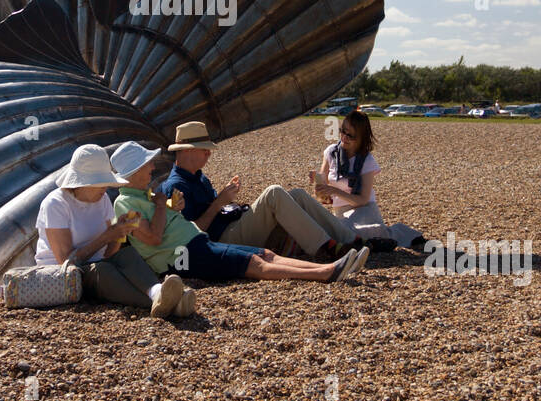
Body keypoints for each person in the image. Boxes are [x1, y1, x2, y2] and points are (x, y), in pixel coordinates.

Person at [111, 140, 365, 285]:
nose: (153, 167)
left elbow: (161, 226)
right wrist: (161, 206)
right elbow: (153, 238)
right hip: (180, 255)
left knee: (266, 254)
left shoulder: (145, 195)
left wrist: (166, 208)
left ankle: (333, 262)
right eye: (147, 165)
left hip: (193, 244)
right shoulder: (127, 203)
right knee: (253, 264)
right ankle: (326, 272)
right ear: (132, 173)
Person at [160, 121, 366, 265]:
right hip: (221, 240)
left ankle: (351, 239)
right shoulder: (176, 187)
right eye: (203, 149)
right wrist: (219, 202)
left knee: (298, 195)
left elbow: (215, 212)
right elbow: (190, 235)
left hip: (231, 226)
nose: (209, 152)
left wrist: (225, 200)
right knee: (273, 193)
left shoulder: (199, 177)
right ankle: (326, 247)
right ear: (186, 150)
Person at [34, 144, 187, 317]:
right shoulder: (56, 204)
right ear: (81, 184)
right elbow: (66, 262)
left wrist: (119, 233)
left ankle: (157, 292)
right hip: (63, 276)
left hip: (96, 264)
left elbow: (108, 253)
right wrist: (108, 236)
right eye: (100, 183)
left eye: (106, 183)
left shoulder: (102, 199)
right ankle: (166, 304)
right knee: (103, 271)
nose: (105, 188)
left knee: (127, 254)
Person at [312, 110, 428, 253]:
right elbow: (324, 179)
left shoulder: (367, 160)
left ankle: (400, 233)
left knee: (344, 233)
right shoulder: (331, 152)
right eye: (343, 131)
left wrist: (335, 191)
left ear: (361, 138)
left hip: (364, 210)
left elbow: (362, 200)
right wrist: (318, 183)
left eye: (350, 135)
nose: (344, 137)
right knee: (338, 231)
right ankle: (374, 239)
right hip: (341, 212)